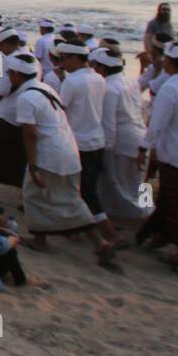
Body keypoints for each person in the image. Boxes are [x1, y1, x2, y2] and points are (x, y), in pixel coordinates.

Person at [7, 52, 119, 267]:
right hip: (70, 150)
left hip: (50, 155)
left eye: (10, 74)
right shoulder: (46, 89)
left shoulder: (26, 97)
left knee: (33, 195)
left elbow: (30, 133)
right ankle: (98, 241)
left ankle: (44, 240)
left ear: (17, 75)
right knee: (70, 200)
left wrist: (33, 165)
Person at [57, 41, 125, 248]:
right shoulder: (99, 79)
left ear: (77, 58)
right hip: (97, 140)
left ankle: (112, 233)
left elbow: (60, 109)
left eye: (65, 58)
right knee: (88, 188)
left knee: (85, 191)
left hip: (80, 141)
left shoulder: (73, 82)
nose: (62, 63)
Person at [141, 43, 178, 275]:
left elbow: (156, 125)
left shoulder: (171, 89)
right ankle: (177, 251)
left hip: (177, 157)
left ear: (170, 62)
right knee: (169, 203)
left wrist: (144, 148)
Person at [92, 48, 148, 222]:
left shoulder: (109, 87)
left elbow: (109, 122)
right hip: (140, 134)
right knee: (139, 181)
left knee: (119, 183)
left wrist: (105, 148)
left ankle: (134, 216)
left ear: (102, 68)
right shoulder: (130, 81)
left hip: (122, 139)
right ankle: (146, 211)